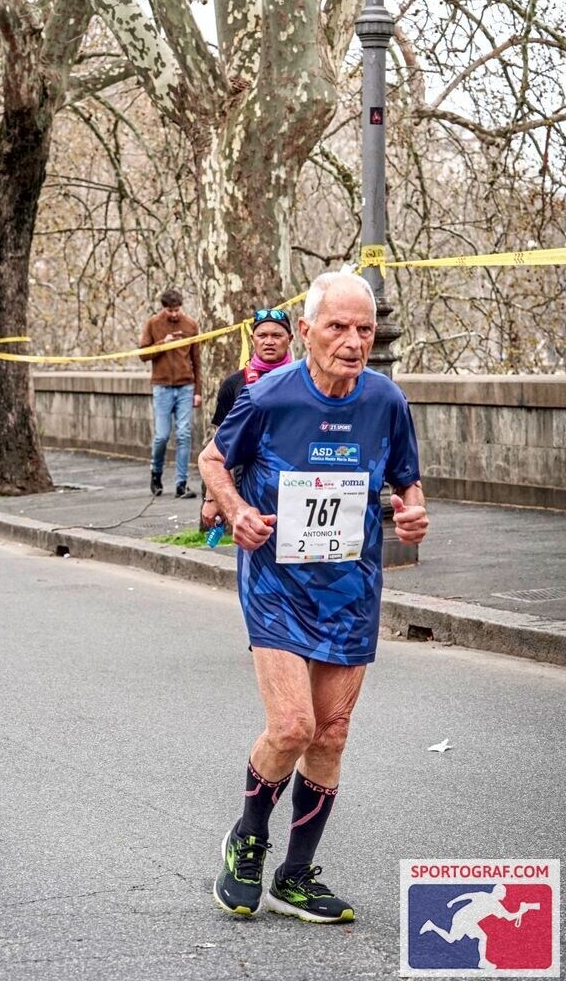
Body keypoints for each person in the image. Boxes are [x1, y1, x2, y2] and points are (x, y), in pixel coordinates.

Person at [198, 272, 429, 923]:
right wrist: (237, 511)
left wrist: (413, 512)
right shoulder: (267, 397)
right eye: (338, 327)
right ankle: (248, 840)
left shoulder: (386, 400)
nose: (354, 342)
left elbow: (406, 479)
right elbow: (214, 460)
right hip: (276, 581)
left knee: (330, 734)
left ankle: (295, 876)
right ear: (306, 331)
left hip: (351, 587)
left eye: (365, 330)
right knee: (293, 726)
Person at [201, 307, 294, 531]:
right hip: (249, 482)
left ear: (290, 339)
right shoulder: (234, 385)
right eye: (262, 335)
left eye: (277, 335)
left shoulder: (305, 380)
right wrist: (212, 497)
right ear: (253, 339)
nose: (269, 341)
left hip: (295, 479)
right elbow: (218, 448)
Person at [140, 287, 202, 498]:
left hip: (186, 386)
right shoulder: (153, 324)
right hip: (162, 386)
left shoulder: (191, 325)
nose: (174, 314)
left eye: (177, 310)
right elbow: (143, 354)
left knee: (184, 434)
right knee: (162, 436)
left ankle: (181, 483)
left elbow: (196, 360)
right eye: (170, 310)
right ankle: (156, 473)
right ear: (164, 308)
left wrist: (198, 390)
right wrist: (162, 344)